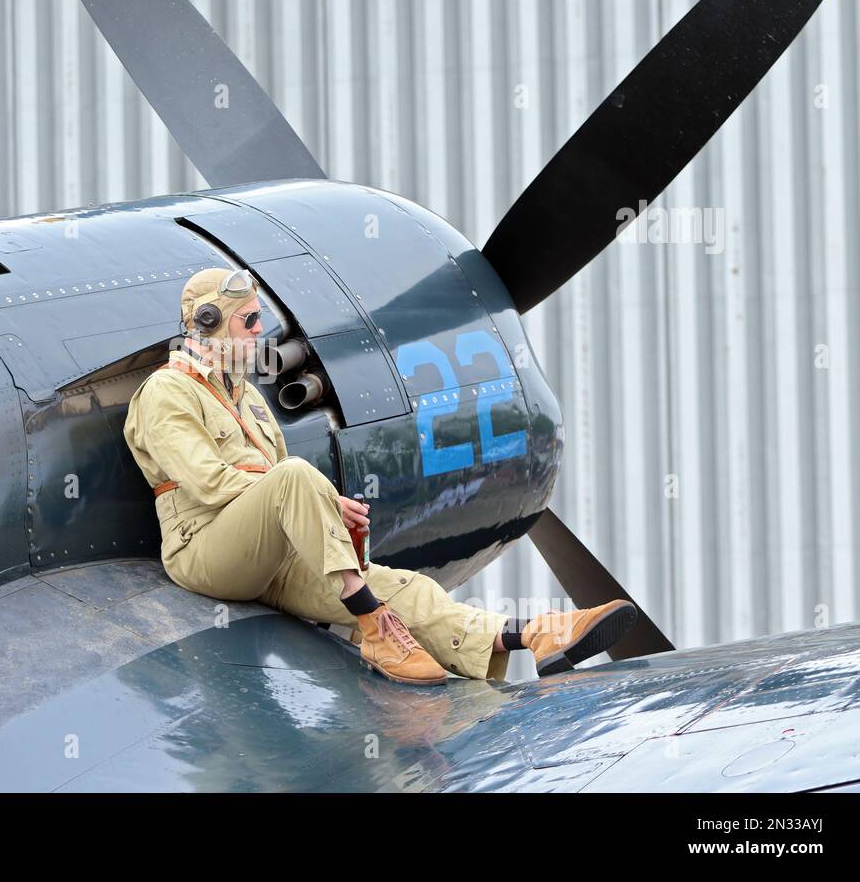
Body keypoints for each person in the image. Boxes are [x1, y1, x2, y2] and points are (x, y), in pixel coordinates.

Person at [122, 267, 636, 684]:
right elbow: (212, 483)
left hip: (265, 551)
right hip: (203, 550)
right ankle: (373, 627)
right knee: (299, 478)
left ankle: (534, 634)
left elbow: (280, 485)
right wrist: (313, 496)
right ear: (210, 323)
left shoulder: (247, 398)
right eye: (250, 321)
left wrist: (323, 512)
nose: (262, 332)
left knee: (400, 585)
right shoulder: (167, 392)